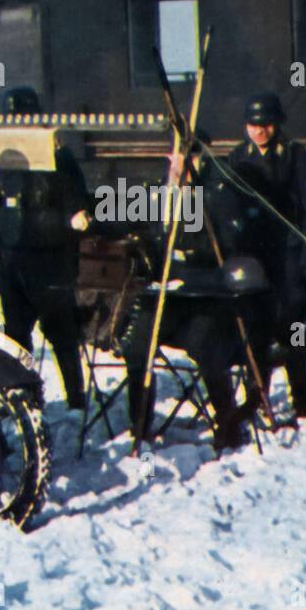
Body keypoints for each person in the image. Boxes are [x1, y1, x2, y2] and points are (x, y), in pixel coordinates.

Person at [120, 133, 267, 449]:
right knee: (136, 346)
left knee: (206, 344)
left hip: (206, 294)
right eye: (171, 158)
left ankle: (227, 421)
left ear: (197, 159)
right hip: (166, 295)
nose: (172, 165)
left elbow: (229, 241)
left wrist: (191, 245)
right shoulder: (163, 190)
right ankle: (140, 424)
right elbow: (146, 229)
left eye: (180, 159)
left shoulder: (218, 191)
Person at [0, 86, 90, 408]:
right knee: (16, 336)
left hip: (49, 258)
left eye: (26, 117)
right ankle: (26, 397)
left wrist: (68, 222)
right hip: (11, 257)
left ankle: (75, 399)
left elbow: (78, 208)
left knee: (61, 333)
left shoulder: (59, 155)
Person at [225, 92, 306, 424]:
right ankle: (257, 399)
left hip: (289, 257)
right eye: (253, 125)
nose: (259, 131)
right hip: (255, 260)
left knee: (294, 332)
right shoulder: (237, 157)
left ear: (277, 125)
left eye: (266, 125)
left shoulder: (296, 156)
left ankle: (301, 401)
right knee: (255, 331)